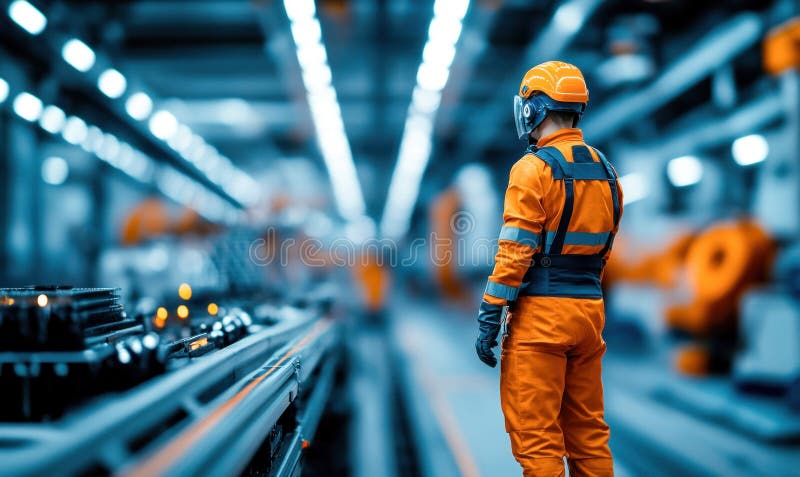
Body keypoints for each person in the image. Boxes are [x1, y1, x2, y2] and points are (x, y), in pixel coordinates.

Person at [474, 61, 623, 477]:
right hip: (589, 314)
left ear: (533, 109)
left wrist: (490, 313)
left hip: (541, 319)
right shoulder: (608, 173)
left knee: (537, 440)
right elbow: (605, 250)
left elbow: (516, 251)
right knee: (589, 435)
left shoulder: (533, 169)